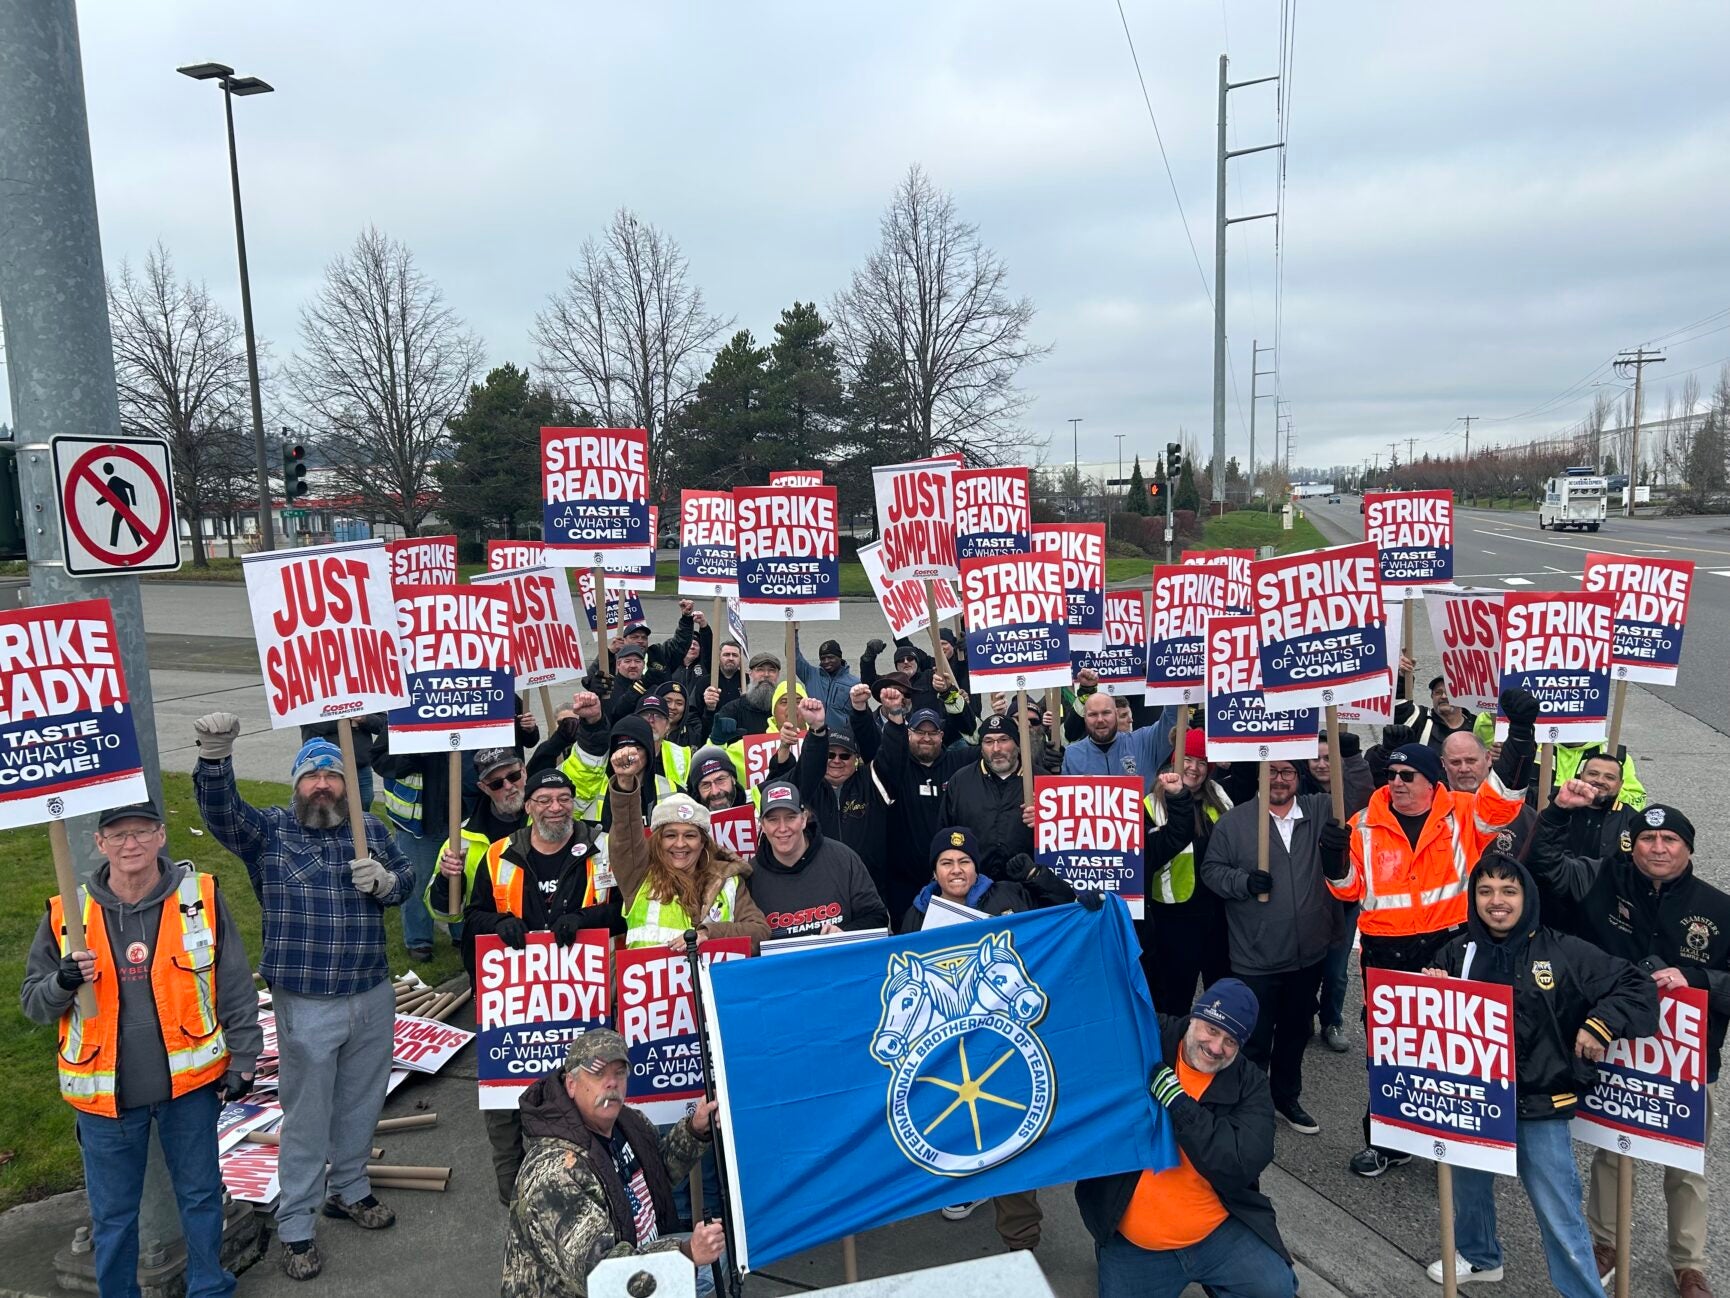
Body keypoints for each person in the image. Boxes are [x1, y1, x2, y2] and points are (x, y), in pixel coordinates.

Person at [192, 721, 415, 1280]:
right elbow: (221, 813)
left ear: (347, 784)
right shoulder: (269, 832)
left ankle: (350, 1188)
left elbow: (409, 876)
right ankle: (295, 1223)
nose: (322, 785)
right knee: (307, 1114)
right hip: (307, 1000)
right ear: (297, 783)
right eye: (312, 775)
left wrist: (387, 883)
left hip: (371, 990)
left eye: (332, 776)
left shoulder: (369, 829)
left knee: (363, 1101)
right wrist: (216, 757)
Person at [20, 801, 261, 1298]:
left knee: (200, 1197)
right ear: (99, 843)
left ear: (161, 836)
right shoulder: (67, 911)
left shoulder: (201, 897)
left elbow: (234, 983)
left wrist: (244, 1057)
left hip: (191, 1090)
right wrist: (61, 983)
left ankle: (209, 1287)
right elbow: (33, 1004)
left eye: (142, 832)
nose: (131, 844)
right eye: (118, 834)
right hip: (105, 1100)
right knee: (112, 1217)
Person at [1325, 687, 1538, 1179]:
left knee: (1455, 1047)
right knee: (1389, 1053)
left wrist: (1521, 734)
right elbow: (1347, 890)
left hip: (1451, 946)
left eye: (1408, 775)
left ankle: (1463, 1135)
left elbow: (1505, 797)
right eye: (1392, 775)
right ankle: (1388, 1142)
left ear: (1431, 779)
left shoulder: (1465, 815)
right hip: (1388, 954)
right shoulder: (1362, 826)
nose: (1396, 783)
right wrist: (1331, 860)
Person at [1425, 855, 1659, 1294]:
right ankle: (1480, 1257)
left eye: (1508, 891)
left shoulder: (1562, 950)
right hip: (1475, 1102)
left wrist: (1599, 1024)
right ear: (1473, 898)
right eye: (1486, 891)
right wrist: (1433, 985)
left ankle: (1582, 1291)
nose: (1497, 902)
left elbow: (1635, 985)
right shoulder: (1455, 952)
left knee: (1559, 1212)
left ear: (1527, 897)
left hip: (1541, 1104)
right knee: (1468, 1188)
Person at [1530, 788, 1730, 1298]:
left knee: (1685, 1162)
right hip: (1612, 1050)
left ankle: (1689, 1265)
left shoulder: (1718, 909)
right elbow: (1544, 864)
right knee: (1612, 1151)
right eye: (1646, 838)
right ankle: (1605, 1242)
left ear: (1688, 848)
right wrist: (1560, 811)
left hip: (1683, 1062)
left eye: (1669, 839)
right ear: (1631, 845)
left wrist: (1698, 978)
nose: (1657, 848)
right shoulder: (1602, 880)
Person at [1075, 979, 1296, 1298]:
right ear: (1194, 1016)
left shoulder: (1251, 1084)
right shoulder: (1148, 1035)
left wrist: (1179, 1104)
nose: (1217, 1047)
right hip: (1137, 1244)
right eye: (1212, 1029)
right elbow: (1088, 1020)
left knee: (1275, 1289)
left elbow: (1238, 1163)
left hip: (1218, 1231)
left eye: (1231, 1041)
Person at [464, 768, 620, 1203]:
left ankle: (584, 1182)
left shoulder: (600, 849)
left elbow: (622, 911)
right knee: (504, 1095)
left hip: (580, 997)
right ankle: (513, 1192)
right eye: (545, 800)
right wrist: (499, 923)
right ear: (528, 806)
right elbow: (471, 920)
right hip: (516, 1000)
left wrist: (585, 919)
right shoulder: (498, 856)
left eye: (564, 798)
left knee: (581, 1092)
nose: (556, 807)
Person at [501, 1031, 725, 1298]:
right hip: (593, 1288)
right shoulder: (553, 1174)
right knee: (700, 1264)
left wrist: (695, 1129)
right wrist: (685, 1255)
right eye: (597, 1073)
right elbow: (601, 1277)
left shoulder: (628, 1123)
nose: (611, 1083)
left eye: (619, 1073)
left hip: (632, 1255)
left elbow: (656, 1174)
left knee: (717, 1259)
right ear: (571, 1084)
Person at [1200, 758, 1348, 1135]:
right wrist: (1243, 882)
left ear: (1298, 777)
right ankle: (1247, 1106)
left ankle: (1286, 1096)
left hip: (1309, 952)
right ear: (1260, 775)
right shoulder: (1235, 822)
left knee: (1296, 1032)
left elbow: (1353, 791)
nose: (1279, 780)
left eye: (1287, 772)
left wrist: (1348, 757)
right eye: (1272, 772)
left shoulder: (1321, 811)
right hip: (1256, 954)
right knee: (1253, 1039)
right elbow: (1212, 871)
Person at [605, 752, 771, 952]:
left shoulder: (728, 880)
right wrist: (625, 783)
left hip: (711, 983)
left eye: (690, 836)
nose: (680, 844)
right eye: (671, 836)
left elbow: (760, 932)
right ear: (657, 841)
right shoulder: (638, 875)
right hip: (657, 983)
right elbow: (625, 833)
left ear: (703, 842)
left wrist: (708, 933)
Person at [1142, 731, 1233, 1017]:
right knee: (1174, 998)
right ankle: (1172, 1053)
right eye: (1188, 760)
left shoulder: (1219, 797)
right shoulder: (1151, 805)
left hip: (1217, 912)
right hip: (1174, 916)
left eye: (1202, 762)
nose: (1194, 768)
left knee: (1220, 994)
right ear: (1173, 763)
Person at [789, 691, 895, 910]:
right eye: (829, 755)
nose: (836, 760)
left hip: (869, 889)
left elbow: (890, 755)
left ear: (856, 760)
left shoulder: (872, 782)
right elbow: (807, 766)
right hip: (818, 892)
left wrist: (886, 715)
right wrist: (817, 729)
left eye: (844, 755)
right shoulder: (808, 788)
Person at [427, 746, 530, 966]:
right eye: (496, 783)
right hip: (491, 953)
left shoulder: (549, 821)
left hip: (546, 944)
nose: (509, 787)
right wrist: (447, 880)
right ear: (483, 788)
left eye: (513, 776)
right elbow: (444, 914)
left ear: (524, 770)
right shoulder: (460, 840)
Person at [1301, 733, 1372, 1051]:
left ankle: (1332, 1020)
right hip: (1307, 896)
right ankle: (1302, 1016)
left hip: (1344, 899)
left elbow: (1366, 793)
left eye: (1328, 758)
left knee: (1336, 969)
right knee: (1303, 966)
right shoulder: (1300, 792)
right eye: (1315, 758)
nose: (1320, 764)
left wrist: (1354, 760)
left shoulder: (1352, 796)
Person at [749, 780, 888, 938]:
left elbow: (877, 917)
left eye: (790, 818)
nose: (782, 828)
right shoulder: (751, 876)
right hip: (781, 963)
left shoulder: (843, 859)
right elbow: (745, 943)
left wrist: (845, 934)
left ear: (803, 819)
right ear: (762, 825)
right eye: (773, 819)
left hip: (838, 960)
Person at [1061, 671, 1171, 794]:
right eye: (1093, 714)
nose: (1100, 720)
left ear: (1116, 714)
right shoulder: (1072, 755)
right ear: (1085, 718)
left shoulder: (1144, 741)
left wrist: (1162, 680)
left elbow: (1173, 721)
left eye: (1106, 713)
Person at [707, 652, 781, 740]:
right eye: (760, 670)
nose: (766, 674)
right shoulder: (732, 710)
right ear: (750, 674)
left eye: (772, 670)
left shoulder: (785, 709)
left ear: (778, 675)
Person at [796, 634, 862, 731]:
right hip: (816, 734)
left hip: (843, 739)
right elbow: (793, 656)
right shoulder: (811, 675)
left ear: (840, 657)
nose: (826, 661)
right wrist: (793, 630)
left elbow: (860, 715)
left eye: (830, 657)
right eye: (823, 658)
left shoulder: (854, 683)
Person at [1426, 675, 1478, 746]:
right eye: (1438, 692)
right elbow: (1406, 708)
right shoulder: (1421, 721)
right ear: (1432, 696)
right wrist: (1405, 674)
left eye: (1450, 692)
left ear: (1463, 696)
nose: (1443, 696)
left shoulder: (1476, 725)